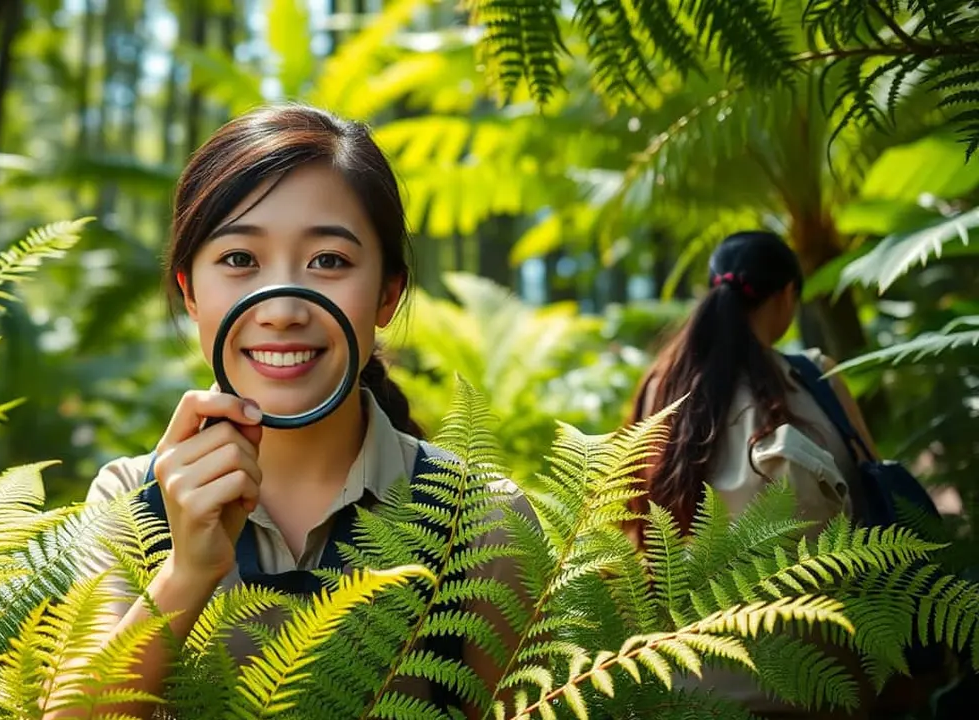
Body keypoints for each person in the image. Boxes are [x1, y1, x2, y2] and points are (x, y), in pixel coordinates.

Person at [50, 104, 537, 719]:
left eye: (328, 261)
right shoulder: (129, 498)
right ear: (191, 294)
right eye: (239, 260)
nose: (281, 309)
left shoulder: (481, 516)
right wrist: (186, 574)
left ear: (388, 294)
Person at [626, 230, 882, 718]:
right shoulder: (816, 378)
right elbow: (874, 488)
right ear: (787, 295)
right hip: (822, 675)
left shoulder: (661, 387)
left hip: (690, 682)